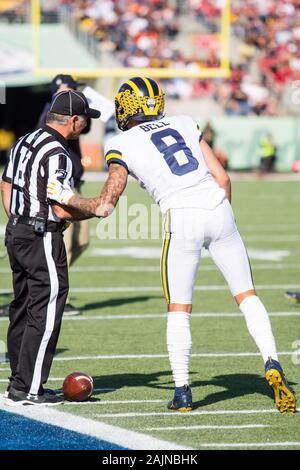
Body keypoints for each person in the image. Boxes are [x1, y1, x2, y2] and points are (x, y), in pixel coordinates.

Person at [47, 77, 296, 414]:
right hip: (218, 208)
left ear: (127, 108)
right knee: (247, 295)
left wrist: (70, 205)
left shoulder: (122, 143)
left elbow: (109, 200)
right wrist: (223, 225)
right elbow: (222, 177)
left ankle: (182, 391)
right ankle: (273, 361)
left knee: (179, 309)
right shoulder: (183, 122)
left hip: (181, 216)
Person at [0, 90, 100, 405]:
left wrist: (19, 218)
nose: (86, 125)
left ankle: (19, 379)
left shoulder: (23, 141)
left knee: (23, 306)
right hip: (41, 234)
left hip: (17, 229)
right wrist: (93, 208)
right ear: (73, 120)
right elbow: (60, 207)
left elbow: (5, 184)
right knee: (46, 309)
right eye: (85, 119)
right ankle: (29, 387)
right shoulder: (59, 152)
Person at [37, 74, 91, 316]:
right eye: (71, 89)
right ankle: (57, 295)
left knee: (81, 241)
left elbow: (86, 128)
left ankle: (46, 285)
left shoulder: (74, 117)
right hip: (59, 187)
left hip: (74, 184)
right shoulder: (52, 116)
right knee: (65, 245)